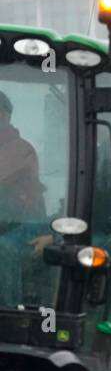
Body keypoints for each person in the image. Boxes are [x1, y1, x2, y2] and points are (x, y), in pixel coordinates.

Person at [0, 89, 44, 306]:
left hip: (23, 224)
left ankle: (8, 316)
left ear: (5, 116)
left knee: (3, 250)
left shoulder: (21, 150)